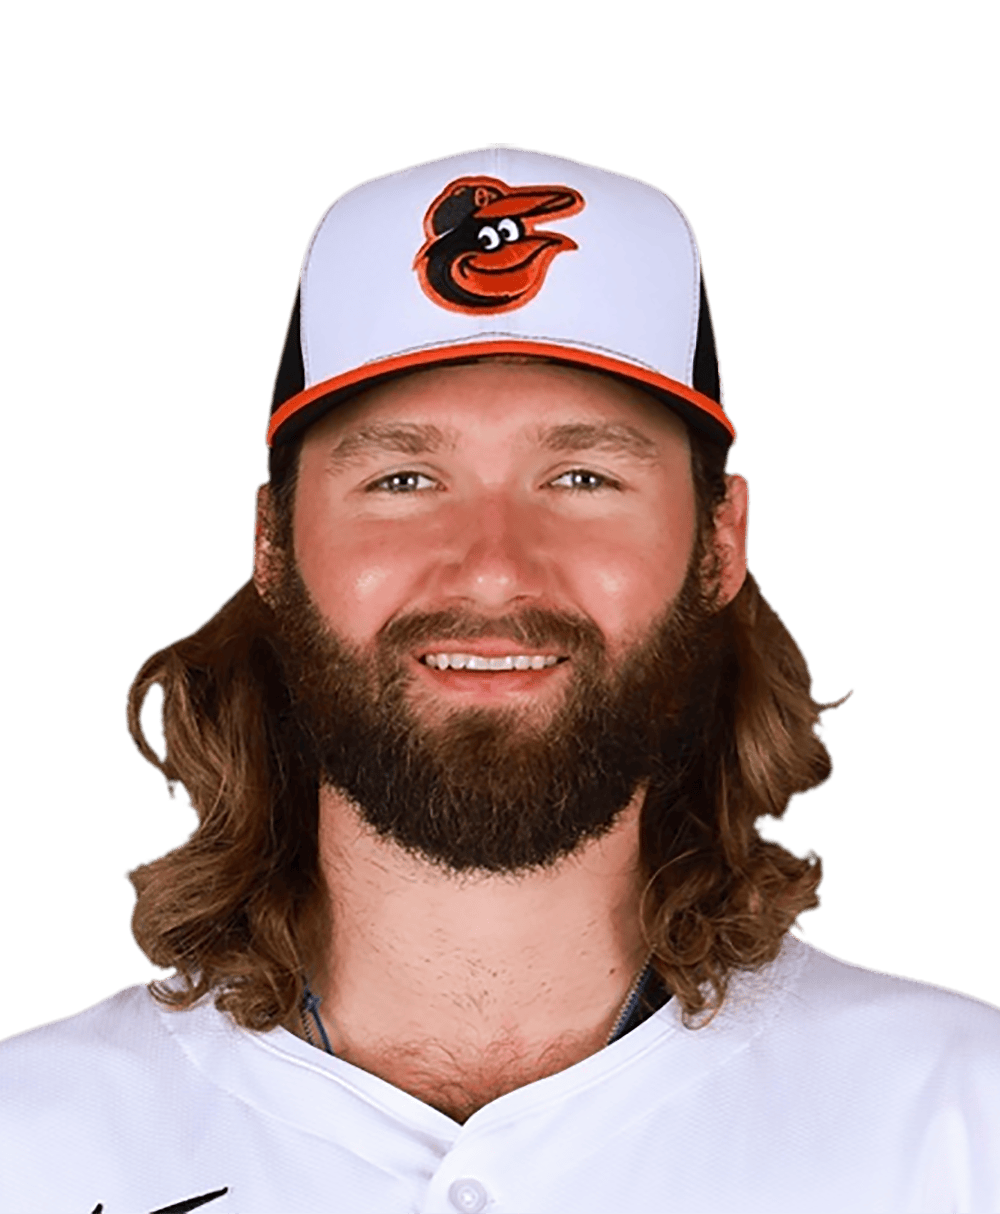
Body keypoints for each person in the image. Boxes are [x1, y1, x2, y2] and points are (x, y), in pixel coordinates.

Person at [1, 145, 997, 1214]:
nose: (490, 566)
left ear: (721, 540)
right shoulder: (32, 1141)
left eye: (582, 476)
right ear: (272, 542)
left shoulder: (960, 1121)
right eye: (403, 477)